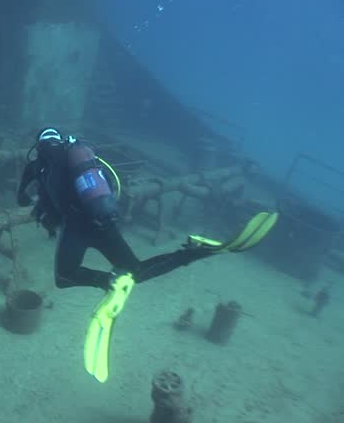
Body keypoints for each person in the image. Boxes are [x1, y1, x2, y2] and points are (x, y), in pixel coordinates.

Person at [17, 126, 277, 382]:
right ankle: (196, 252)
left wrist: (37, 199)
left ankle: (108, 281)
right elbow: (110, 184)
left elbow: (21, 199)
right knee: (137, 271)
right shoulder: (78, 156)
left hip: (76, 228)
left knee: (64, 277)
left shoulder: (37, 165)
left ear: (38, 146)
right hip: (103, 223)